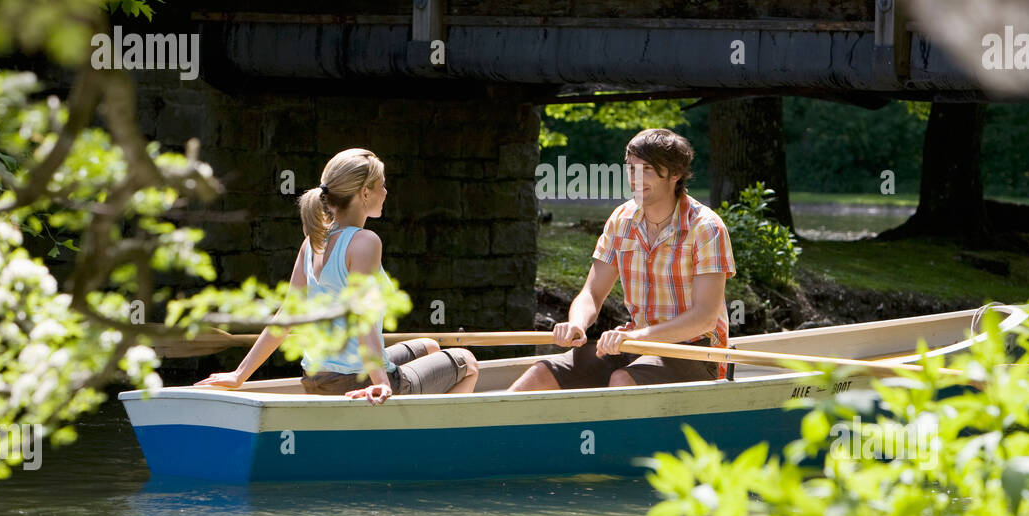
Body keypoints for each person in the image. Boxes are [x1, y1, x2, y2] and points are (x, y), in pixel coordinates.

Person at [197, 148, 478, 402]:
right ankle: (418, 437)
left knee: (430, 346)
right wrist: (381, 383)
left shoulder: (312, 242)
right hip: (357, 380)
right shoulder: (366, 242)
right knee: (467, 361)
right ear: (365, 193)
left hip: (315, 378)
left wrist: (240, 375)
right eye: (382, 186)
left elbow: (286, 315)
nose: (387, 192)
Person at [507, 128, 736, 392]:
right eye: (631, 168)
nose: (635, 179)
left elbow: (705, 318)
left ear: (675, 174)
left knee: (622, 380)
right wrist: (577, 323)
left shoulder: (706, 227)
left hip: (696, 351)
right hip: (634, 343)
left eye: (647, 169)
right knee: (541, 373)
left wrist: (634, 336)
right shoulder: (621, 220)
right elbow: (592, 294)